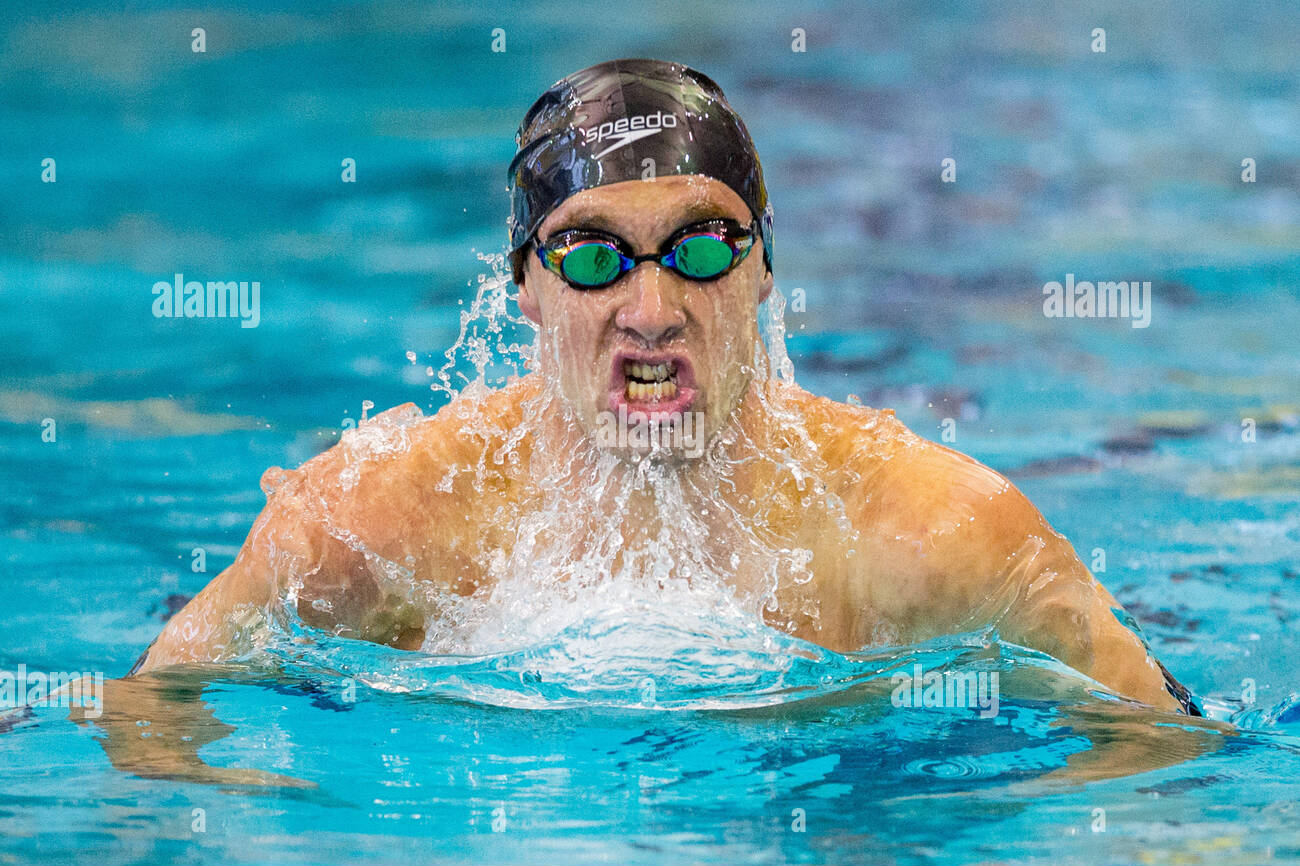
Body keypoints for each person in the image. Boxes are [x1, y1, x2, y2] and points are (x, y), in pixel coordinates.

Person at [130, 58, 1198, 716]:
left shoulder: (932, 532)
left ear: (764, 271)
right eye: (592, 257)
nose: (649, 309)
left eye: (699, 248)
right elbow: (151, 717)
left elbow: (1159, 757)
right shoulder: (379, 521)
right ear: (526, 294)